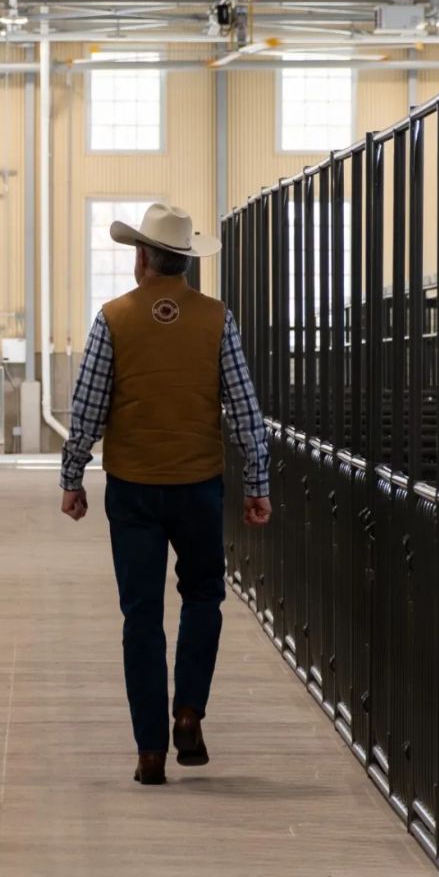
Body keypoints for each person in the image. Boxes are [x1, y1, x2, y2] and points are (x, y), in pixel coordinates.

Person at [58, 202, 272, 786]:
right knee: (203, 598)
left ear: (142, 259)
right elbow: (246, 410)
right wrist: (258, 483)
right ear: (185, 264)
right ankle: (189, 711)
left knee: (141, 615)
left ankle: (150, 751)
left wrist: (72, 476)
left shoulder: (114, 318)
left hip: (133, 490)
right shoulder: (217, 318)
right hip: (199, 485)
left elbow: (88, 408)